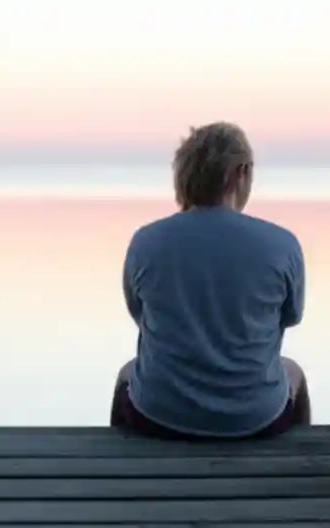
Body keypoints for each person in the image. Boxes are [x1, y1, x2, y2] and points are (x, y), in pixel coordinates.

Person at [111, 122, 309, 439]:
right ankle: (299, 468)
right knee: (293, 372)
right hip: (254, 417)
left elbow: (142, 316)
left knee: (127, 375)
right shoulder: (282, 244)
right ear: (241, 173)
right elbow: (290, 317)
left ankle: (121, 471)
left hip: (160, 415)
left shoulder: (146, 242)